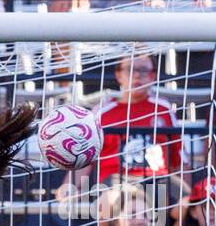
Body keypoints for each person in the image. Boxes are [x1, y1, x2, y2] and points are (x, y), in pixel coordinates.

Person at [65, 54, 181, 193]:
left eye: (143, 70)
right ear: (119, 74)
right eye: (130, 69)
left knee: (188, 202)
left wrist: (188, 198)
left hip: (157, 181)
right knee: (124, 201)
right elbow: (85, 159)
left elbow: (180, 161)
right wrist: (69, 188)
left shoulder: (163, 109)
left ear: (153, 76)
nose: (137, 75)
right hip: (116, 183)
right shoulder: (102, 113)